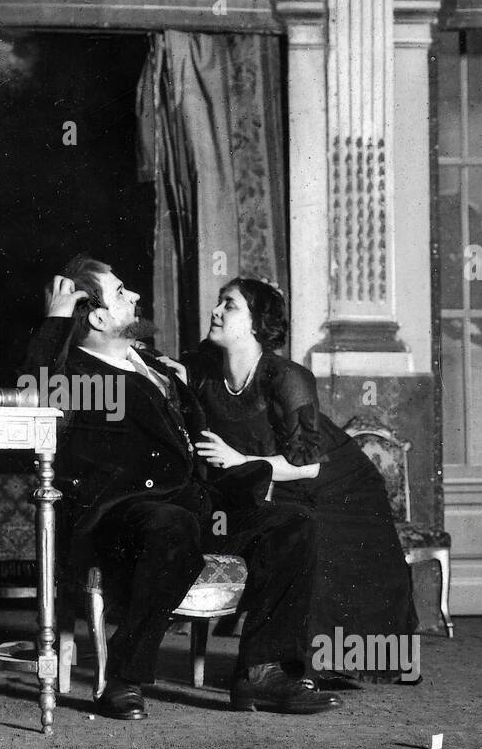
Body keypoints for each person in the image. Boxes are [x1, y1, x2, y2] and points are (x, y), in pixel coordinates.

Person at [23, 255, 340, 719]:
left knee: (294, 523)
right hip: (125, 516)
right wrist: (54, 320)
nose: (134, 297)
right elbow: (35, 402)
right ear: (96, 317)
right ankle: (124, 677)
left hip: (195, 506)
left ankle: (263, 672)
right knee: (170, 525)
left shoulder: (153, 365)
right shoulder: (80, 376)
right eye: (120, 293)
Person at [185, 277, 419, 686]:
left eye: (230, 305)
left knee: (340, 565)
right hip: (283, 479)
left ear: (257, 323)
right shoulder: (206, 369)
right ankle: (297, 667)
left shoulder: (287, 376)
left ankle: (327, 667)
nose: (216, 311)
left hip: (341, 481)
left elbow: (309, 464)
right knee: (297, 549)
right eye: (219, 302)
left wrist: (242, 460)